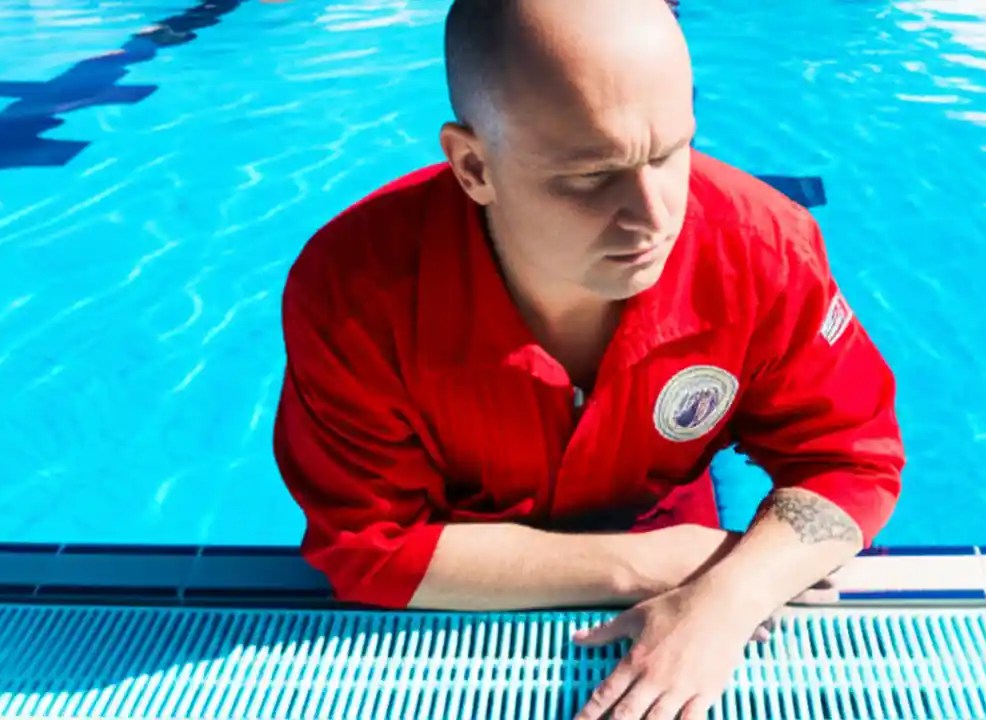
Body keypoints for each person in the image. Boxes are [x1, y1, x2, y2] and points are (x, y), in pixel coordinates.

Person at [272, 0, 905, 716]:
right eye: (590, 176)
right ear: (474, 166)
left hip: (672, 531)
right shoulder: (358, 291)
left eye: (670, 153)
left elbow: (852, 459)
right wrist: (660, 562)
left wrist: (727, 596)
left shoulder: (761, 252)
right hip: (491, 579)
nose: (653, 215)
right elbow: (365, 549)